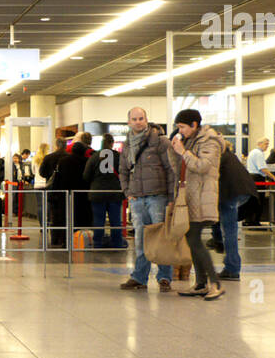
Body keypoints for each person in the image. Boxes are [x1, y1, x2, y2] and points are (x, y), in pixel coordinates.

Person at [167, 108, 225, 300]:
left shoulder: (210, 141)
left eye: (182, 127)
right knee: (192, 239)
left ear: (194, 125)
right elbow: (180, 169)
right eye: (178, 127)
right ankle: (201, 284)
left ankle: (214, 283)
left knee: (194, 238)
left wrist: (183, 151)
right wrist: (174, 150)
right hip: (189, 197)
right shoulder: (190, 141)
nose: (180, 130)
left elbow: (202, 166)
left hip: (202, 198)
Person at [118, 108, 175, 293]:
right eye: (134, 119)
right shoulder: (127, 145)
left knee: (160, 238)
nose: (138, 122)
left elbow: (171, 170)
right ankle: (139, 277)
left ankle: (165, 277)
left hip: (158, 196)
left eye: (141, 118)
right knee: (141, 239)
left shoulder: (160, 141)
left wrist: (171, 198)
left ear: (147, 120)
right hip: (137, 198)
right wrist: (127, 191)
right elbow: (123, 171)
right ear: (128, 122)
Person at [211, 142, 256, 281]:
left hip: (230, 194)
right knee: (229, 229)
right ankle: (230, 265)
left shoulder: (218, 157)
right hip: (242, 192)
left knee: (229, 231)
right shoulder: (230, 156)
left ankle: (232, 268)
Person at [84, 134, 126, 248]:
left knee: (98, 220)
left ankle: (97, 243)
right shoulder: (118, 156)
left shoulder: (94, 156)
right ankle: (117, 243)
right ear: (112, 143)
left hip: (97, 193)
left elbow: (86, 176)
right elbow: (125, 173)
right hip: (115, 192)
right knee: (115, 220)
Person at [244, 137, 275, 226]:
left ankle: (250, 221)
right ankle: (255, 222)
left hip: (252, 178)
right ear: (260, 144)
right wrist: (274, 178)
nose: (267, 146)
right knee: (258, 201)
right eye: (266, 144)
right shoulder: (258, 153)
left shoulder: (253, 152)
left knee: (252, 201)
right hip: (257, 178)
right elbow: (262, 168)